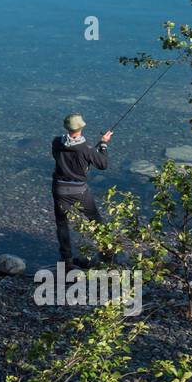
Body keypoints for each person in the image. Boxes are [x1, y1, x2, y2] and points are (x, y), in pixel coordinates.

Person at [51, 113, 112, 269]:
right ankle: (107, 254)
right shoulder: (87, 149)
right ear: (81, 127)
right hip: (79, 191)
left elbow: (74, 154)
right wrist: (103, 145)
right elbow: (103, 164)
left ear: (66, 127)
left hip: (59, 189)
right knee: (95, 220)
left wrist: (94, 149)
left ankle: (67, 260)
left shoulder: (57, 142)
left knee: (62, 224)